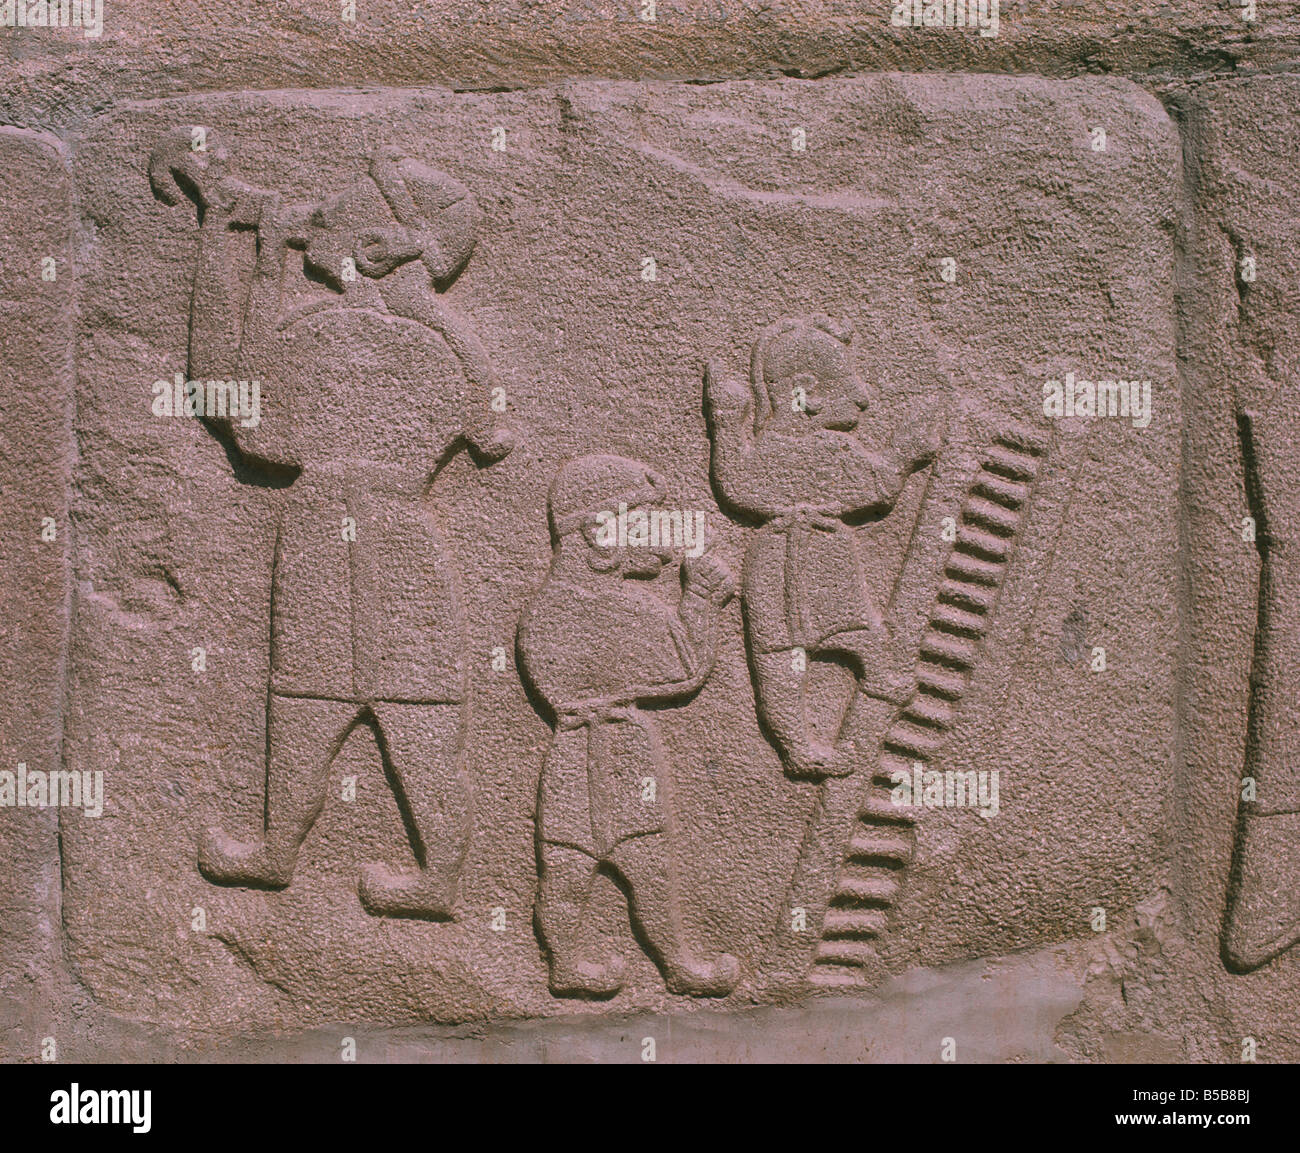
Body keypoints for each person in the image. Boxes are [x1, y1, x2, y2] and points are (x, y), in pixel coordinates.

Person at [151, 128, 514, 917]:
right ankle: (384, 866)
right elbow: (491, 428)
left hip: (335, 533)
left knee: (353, 697)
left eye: (334, 214)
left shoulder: (340, 338)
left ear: (380, 246)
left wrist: (230, 243)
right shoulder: (426, 348)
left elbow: (225, 394)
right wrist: (237, 243)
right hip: (387, 538)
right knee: (373, 700)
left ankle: (311, 855)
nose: (314, 218)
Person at [517, 454, 740, 996]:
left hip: (573, 757)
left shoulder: (544, 607)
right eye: (645, 525)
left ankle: (570, 963)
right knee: (641, 868)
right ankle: (678, 966)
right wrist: (703, 600)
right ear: (598, 533)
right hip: (617, 751)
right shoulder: (623, 607)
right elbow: (686, 668)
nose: (662, 544)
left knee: (570, 871)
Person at [705, 315, 939, 779]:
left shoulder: (834, 450)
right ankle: (798, 745)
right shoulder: (806, 452)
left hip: (824, 557)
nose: (864, 398)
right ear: (805, 391)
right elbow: (876, 488)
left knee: (854, 633)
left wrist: (728, 427)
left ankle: (881, 683)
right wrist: (904, 453)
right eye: (849, 382)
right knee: (777, 658)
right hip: (775, 563)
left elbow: (868, 488)